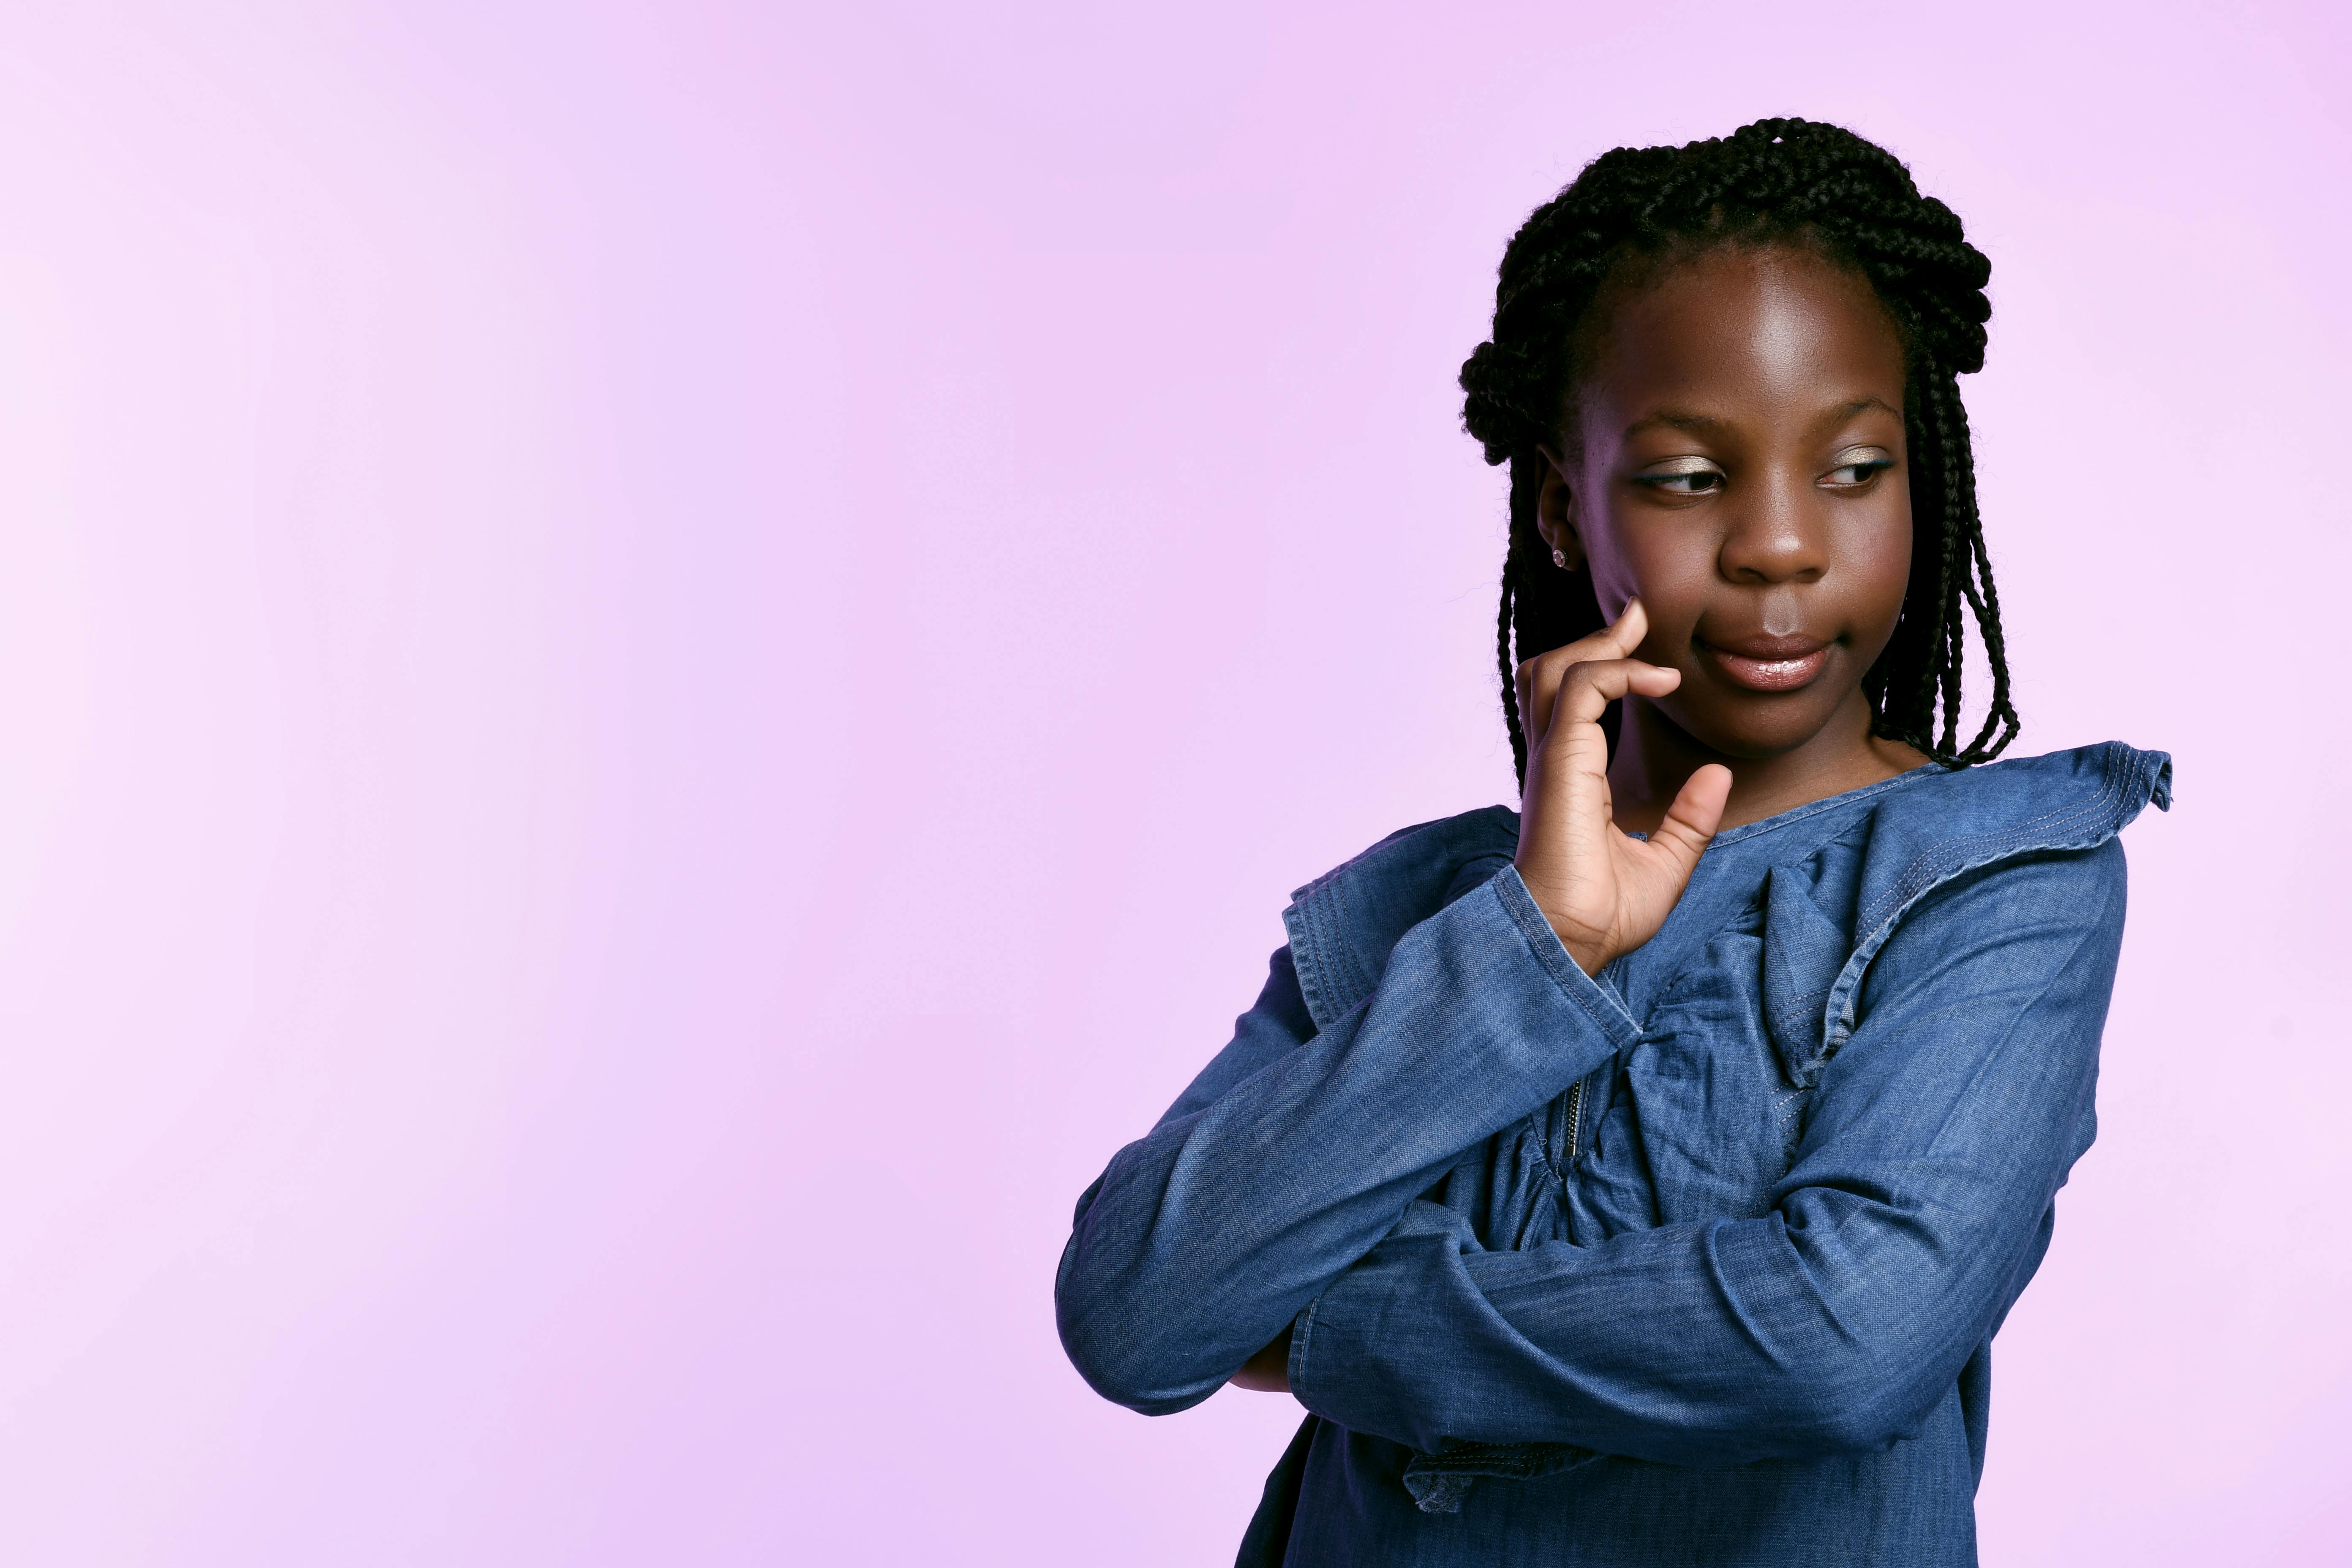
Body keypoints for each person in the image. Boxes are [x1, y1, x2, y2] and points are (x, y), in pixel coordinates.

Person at [1052, 118, 2169, 1568]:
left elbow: (1838, 1339)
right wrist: (1539, 945)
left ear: (1923, 482)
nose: (1780, 544)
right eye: (1691, 479)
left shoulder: (1999, 884)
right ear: (1562, 513)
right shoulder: (1423, 906)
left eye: (1853, 468)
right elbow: (1136, 1318)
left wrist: (1332, 1322)